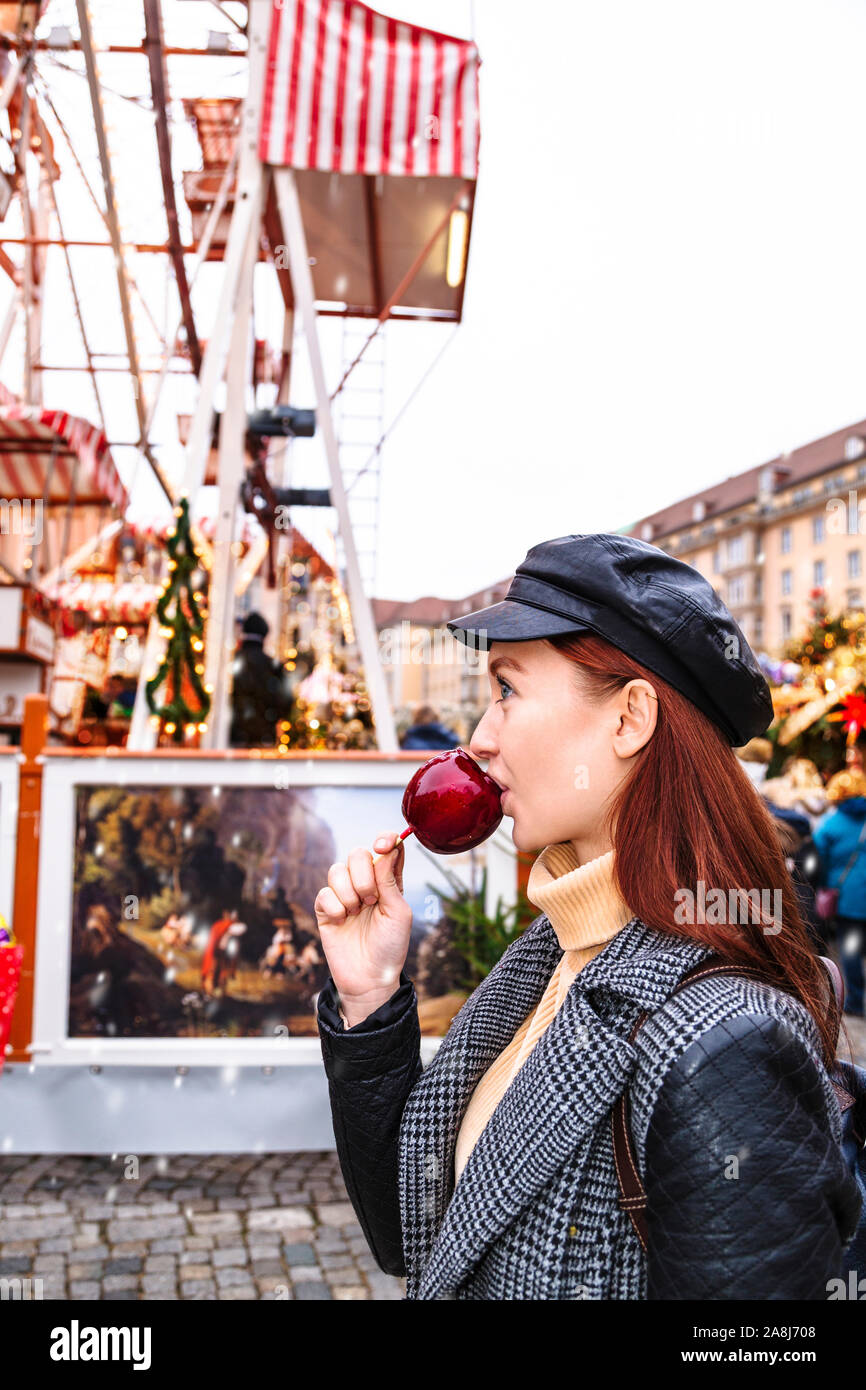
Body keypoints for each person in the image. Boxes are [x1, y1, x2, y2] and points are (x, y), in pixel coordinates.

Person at [313, 533, 861, 1301]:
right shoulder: (547, 954)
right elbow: (413, 1235)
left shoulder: (727, 1039)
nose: (481, 737)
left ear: (630, 718)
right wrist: (370, 996)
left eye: (507, 689)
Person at [812, 768, 866, 1018]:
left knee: (851, 949)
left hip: (849, 898)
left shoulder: (833, 822)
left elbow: (817, 856)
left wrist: (822, 884)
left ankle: (855, 1000)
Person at [229, 612, 295, 747]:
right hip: (265, 735)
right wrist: (273, 716)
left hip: (235, 734)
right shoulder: (272, 665)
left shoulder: (232, 660)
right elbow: (287, 698)